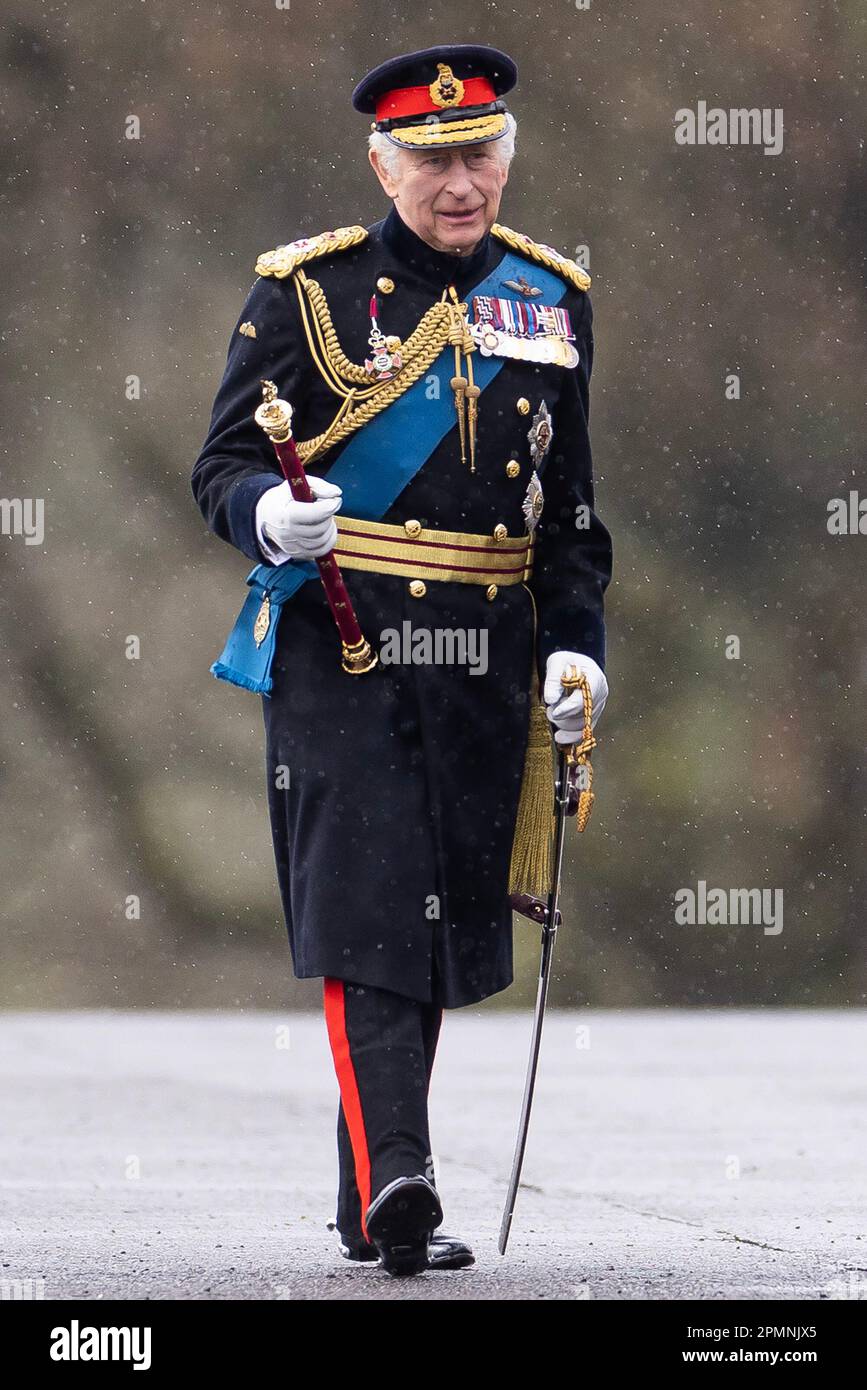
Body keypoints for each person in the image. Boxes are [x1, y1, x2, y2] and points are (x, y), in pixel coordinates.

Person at [191, 43, 612, 1276]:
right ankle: (406, 1178)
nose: (458, 182)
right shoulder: (306, 294)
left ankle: (369, 1184)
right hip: (347, 646)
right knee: (366, 901)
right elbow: (218, 466)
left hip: (486, 664)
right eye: (431, 160)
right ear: (383, 162)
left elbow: (573, 519)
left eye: (479, 154)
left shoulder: (554, 298)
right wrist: (271, 519)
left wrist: (578, 653)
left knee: (430, 926)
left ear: (508, 157)